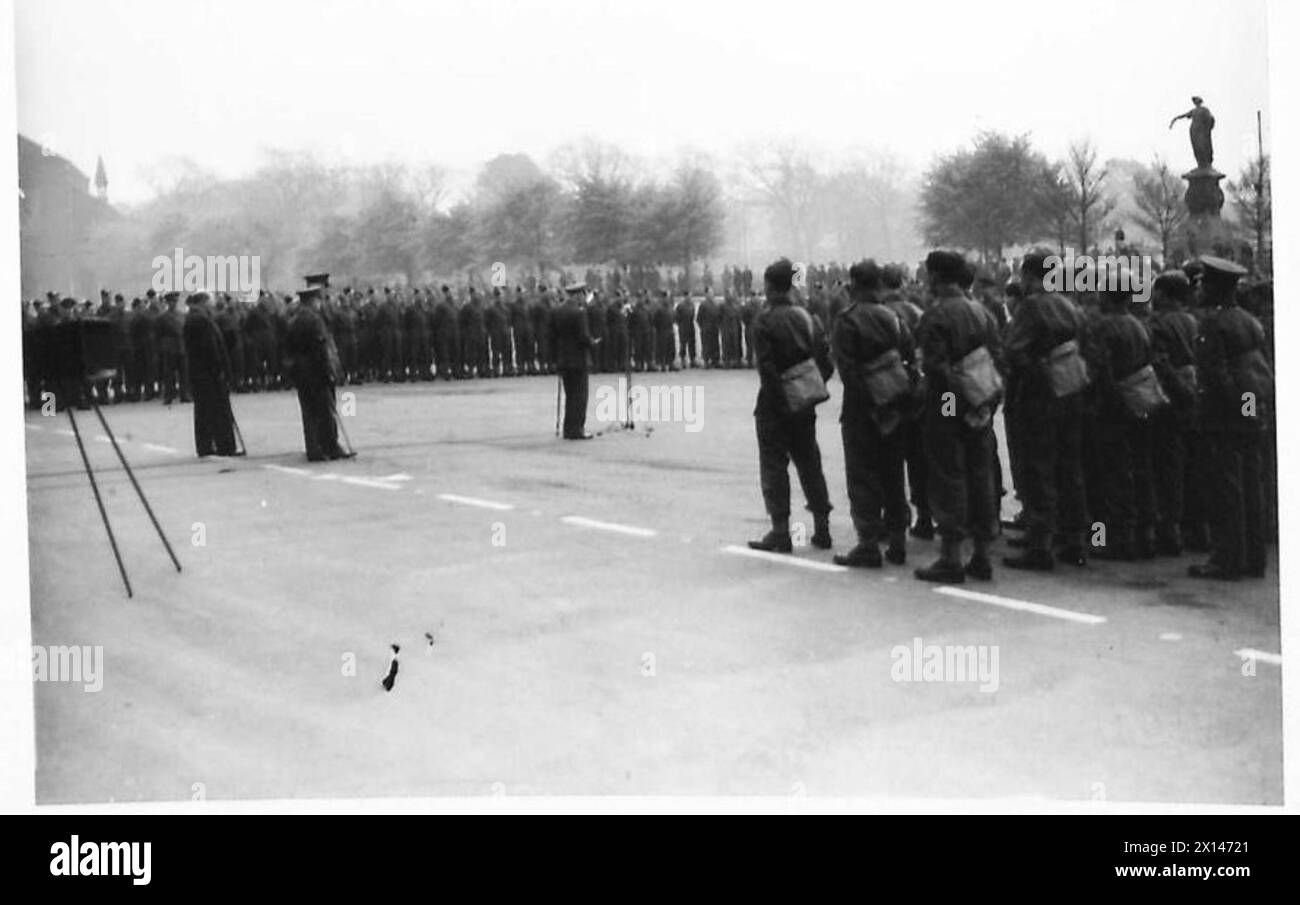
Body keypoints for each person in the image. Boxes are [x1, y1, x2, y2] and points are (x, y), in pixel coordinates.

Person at [913, 250, 1003, 583]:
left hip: (948, 404)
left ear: (936, 277)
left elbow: (935, 367)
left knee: (948, 476)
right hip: (980, 403)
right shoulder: (982, 312)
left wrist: (954, 404)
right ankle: (981, 554)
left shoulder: (935, 316)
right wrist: (983, 402)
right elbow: (997, 357)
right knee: (981, 477)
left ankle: (950, 556)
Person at [1001, 249, 1090, 570]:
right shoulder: (1070, 305)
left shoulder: (1031, 306)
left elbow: (1014, 352)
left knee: (1038, 470)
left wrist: (1036, 371)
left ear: (1028, 275)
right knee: (1070, 469)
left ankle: (1040, 545)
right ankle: (1074, 540)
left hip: (1039, 399)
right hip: (1072, 393)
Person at [1188, 256, 1270, 579]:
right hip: (1250, 410)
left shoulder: (1213, 324)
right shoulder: (1250, 321)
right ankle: (1253, 557)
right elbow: (1256, 370)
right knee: (1252, 485)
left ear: (1213, 287)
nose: (1199, 290)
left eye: (1203, 284)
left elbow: (1216, 376)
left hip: (1223, 418)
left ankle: (1227, 559)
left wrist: (1220, 411)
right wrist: (1248, 410)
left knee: (1226, 488)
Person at [831, 259, 915, 567]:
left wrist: (870, 402)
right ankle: (897, 541)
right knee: (893, 474)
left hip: (862, 410)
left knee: (863, 475)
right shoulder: (893, 317)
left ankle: (867, 542)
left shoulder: (847, 320)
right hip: (895, 405)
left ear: (854, 284)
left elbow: (848, 371)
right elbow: (909, 357)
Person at [747, 258, 835, 553]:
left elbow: (767, 369)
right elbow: (825, 363)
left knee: (774, 466)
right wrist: (807, 389)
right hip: (804, 402)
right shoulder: (808, 317)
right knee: (810, 463)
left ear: (769, 286)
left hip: (775, 405)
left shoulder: (765, 320)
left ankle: (781, 531)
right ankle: (822, 528)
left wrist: (781, 399)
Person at [285, 285, 353, 462]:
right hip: (315, 371)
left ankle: (314, 449)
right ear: (313, 301)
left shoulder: (295, 319)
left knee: (309, 411)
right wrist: (328, 371)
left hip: (301, 372)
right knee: (324, 411)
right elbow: (320, 349)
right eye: (319, 300)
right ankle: (330, 446)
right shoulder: (314, 320)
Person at [182, 292, 238, 457]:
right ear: (202, 303)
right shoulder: (201, 321)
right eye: (209, 302)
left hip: (199, 372)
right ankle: (225, 445)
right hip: (208, 373)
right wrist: (219, 369)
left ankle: (205, 445)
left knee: (204, 410)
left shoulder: (194, 319)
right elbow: (210, 348)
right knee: (218, 410)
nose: (211, 305)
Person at [550, 283, 597, 440]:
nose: (584, 298)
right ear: (579, 295)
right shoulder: (579, 313)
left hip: (563, 360)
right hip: (578, 360)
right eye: (584, 294)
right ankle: (577, 429)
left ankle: (568, 428)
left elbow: (552, 336)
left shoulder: (557, 311)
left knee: (570, 395)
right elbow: (583, 337)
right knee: (580, 396)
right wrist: (592, 342)